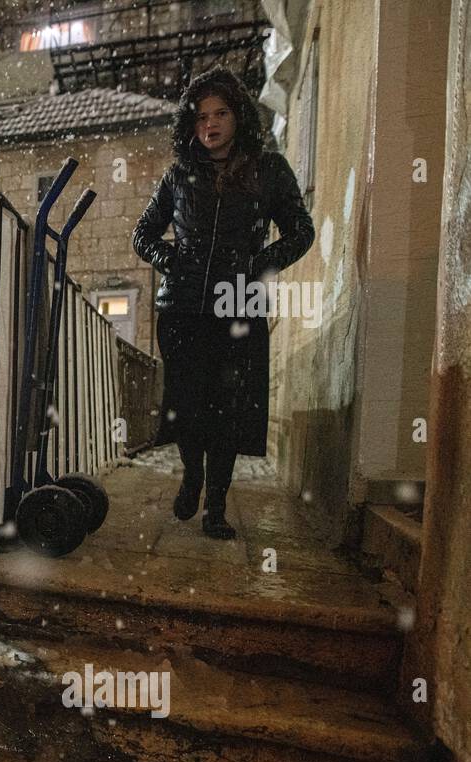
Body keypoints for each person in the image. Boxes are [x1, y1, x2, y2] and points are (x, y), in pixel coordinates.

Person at [132, 67, 314, 539]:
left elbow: (301, 231)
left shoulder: (269, 169)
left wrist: (260, 264)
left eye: (221, 113)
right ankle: (192, 476)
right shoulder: (178, 175)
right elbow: (143, 234)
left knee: (227, 409)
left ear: (238, 117)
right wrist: (169, 259)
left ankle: (216, 505)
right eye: (200, 116)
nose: (210, 124)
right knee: (189, 407)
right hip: (183, 309)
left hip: (239, 304)